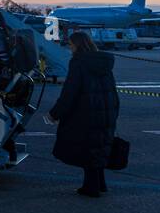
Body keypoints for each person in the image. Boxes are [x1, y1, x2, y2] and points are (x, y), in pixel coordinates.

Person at [48, 31, 120, 197]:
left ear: (78, 45)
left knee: (87, 149)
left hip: (86, 112)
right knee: (99, 147)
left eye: (71, 44)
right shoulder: (103, 62)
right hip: (106, 111)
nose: (70, 48)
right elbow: (112, 89)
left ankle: (91, 187)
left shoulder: (78, 63)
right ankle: (100, 183)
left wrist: (55, 113)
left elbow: (70, 92)